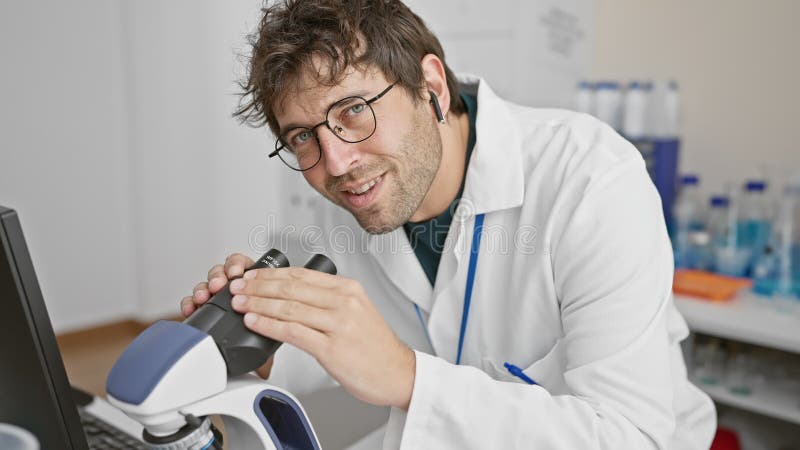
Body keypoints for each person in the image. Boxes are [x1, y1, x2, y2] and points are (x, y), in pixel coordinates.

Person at [180, 1, 716, 448]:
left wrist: (408, 378)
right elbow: (348, 338)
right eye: (303, 137)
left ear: (431, 86)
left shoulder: (590, 178)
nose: (336, 163)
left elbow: (631, 436)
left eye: (354, 111)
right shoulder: (351, 194)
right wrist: (261, 340)